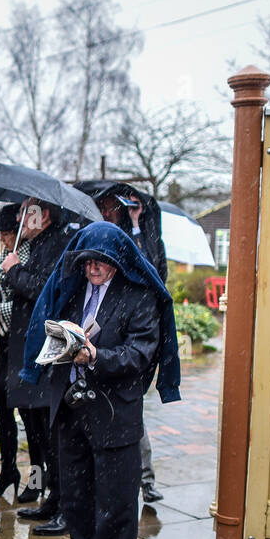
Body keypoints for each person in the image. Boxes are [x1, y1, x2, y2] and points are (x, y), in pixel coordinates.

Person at [20, 222, 180, 539]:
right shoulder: (72, 291)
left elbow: (140, 354)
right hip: (71, 405)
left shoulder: (139, 297)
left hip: (112, 410)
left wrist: (96, 356)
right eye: (88, 260)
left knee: (115, 498)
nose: (93, 268)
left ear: (118, 261)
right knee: (75, 491)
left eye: (102, 262)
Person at [80, 180, 169, 503]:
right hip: (94, 336)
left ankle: (143, 478)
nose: (108, 212)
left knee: (129, 407)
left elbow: (153, 269)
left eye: (112, 207)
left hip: (131, 334)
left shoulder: (138, 236)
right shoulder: (91, 241)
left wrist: (133, 223)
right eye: (103, 206)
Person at [4, 199, 74, 536]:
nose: (19, 218)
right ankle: (47, 495)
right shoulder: (36, 244)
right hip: (26, 351)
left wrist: (14, 269)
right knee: (35, 434)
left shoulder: (58, 244)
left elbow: (42, 289)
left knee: (53, 435)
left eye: (25, 212)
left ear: (43, 215)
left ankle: (62, 504)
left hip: (45, 355)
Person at [0, 204, 28, 500]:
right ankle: (8, 470)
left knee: (29, 416)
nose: (3, 238)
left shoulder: (28, 258)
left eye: (8, 232)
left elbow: (25, 301)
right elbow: (4, 291)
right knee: (2, 410)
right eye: (1, 233)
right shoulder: (6, 256)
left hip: (24, 344)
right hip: (5, 343)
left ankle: (37, 478)